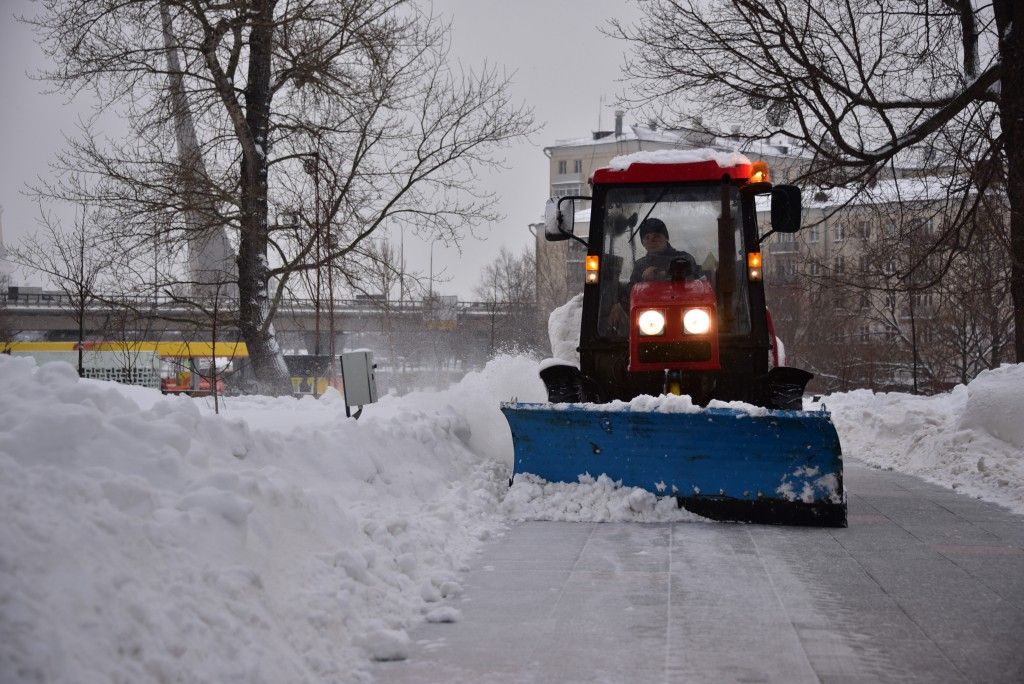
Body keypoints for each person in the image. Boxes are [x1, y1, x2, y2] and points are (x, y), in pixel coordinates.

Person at [606, 217, 700, 331]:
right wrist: (619, 305)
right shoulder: (640, 265)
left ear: (666, 238)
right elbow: (631, 290)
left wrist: (662, 275)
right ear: (643, 243)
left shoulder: (684, 258)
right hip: (649, 318)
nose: (652, 240)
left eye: (657, 236)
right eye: (647, 237)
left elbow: (696, 284)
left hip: (687, 315)